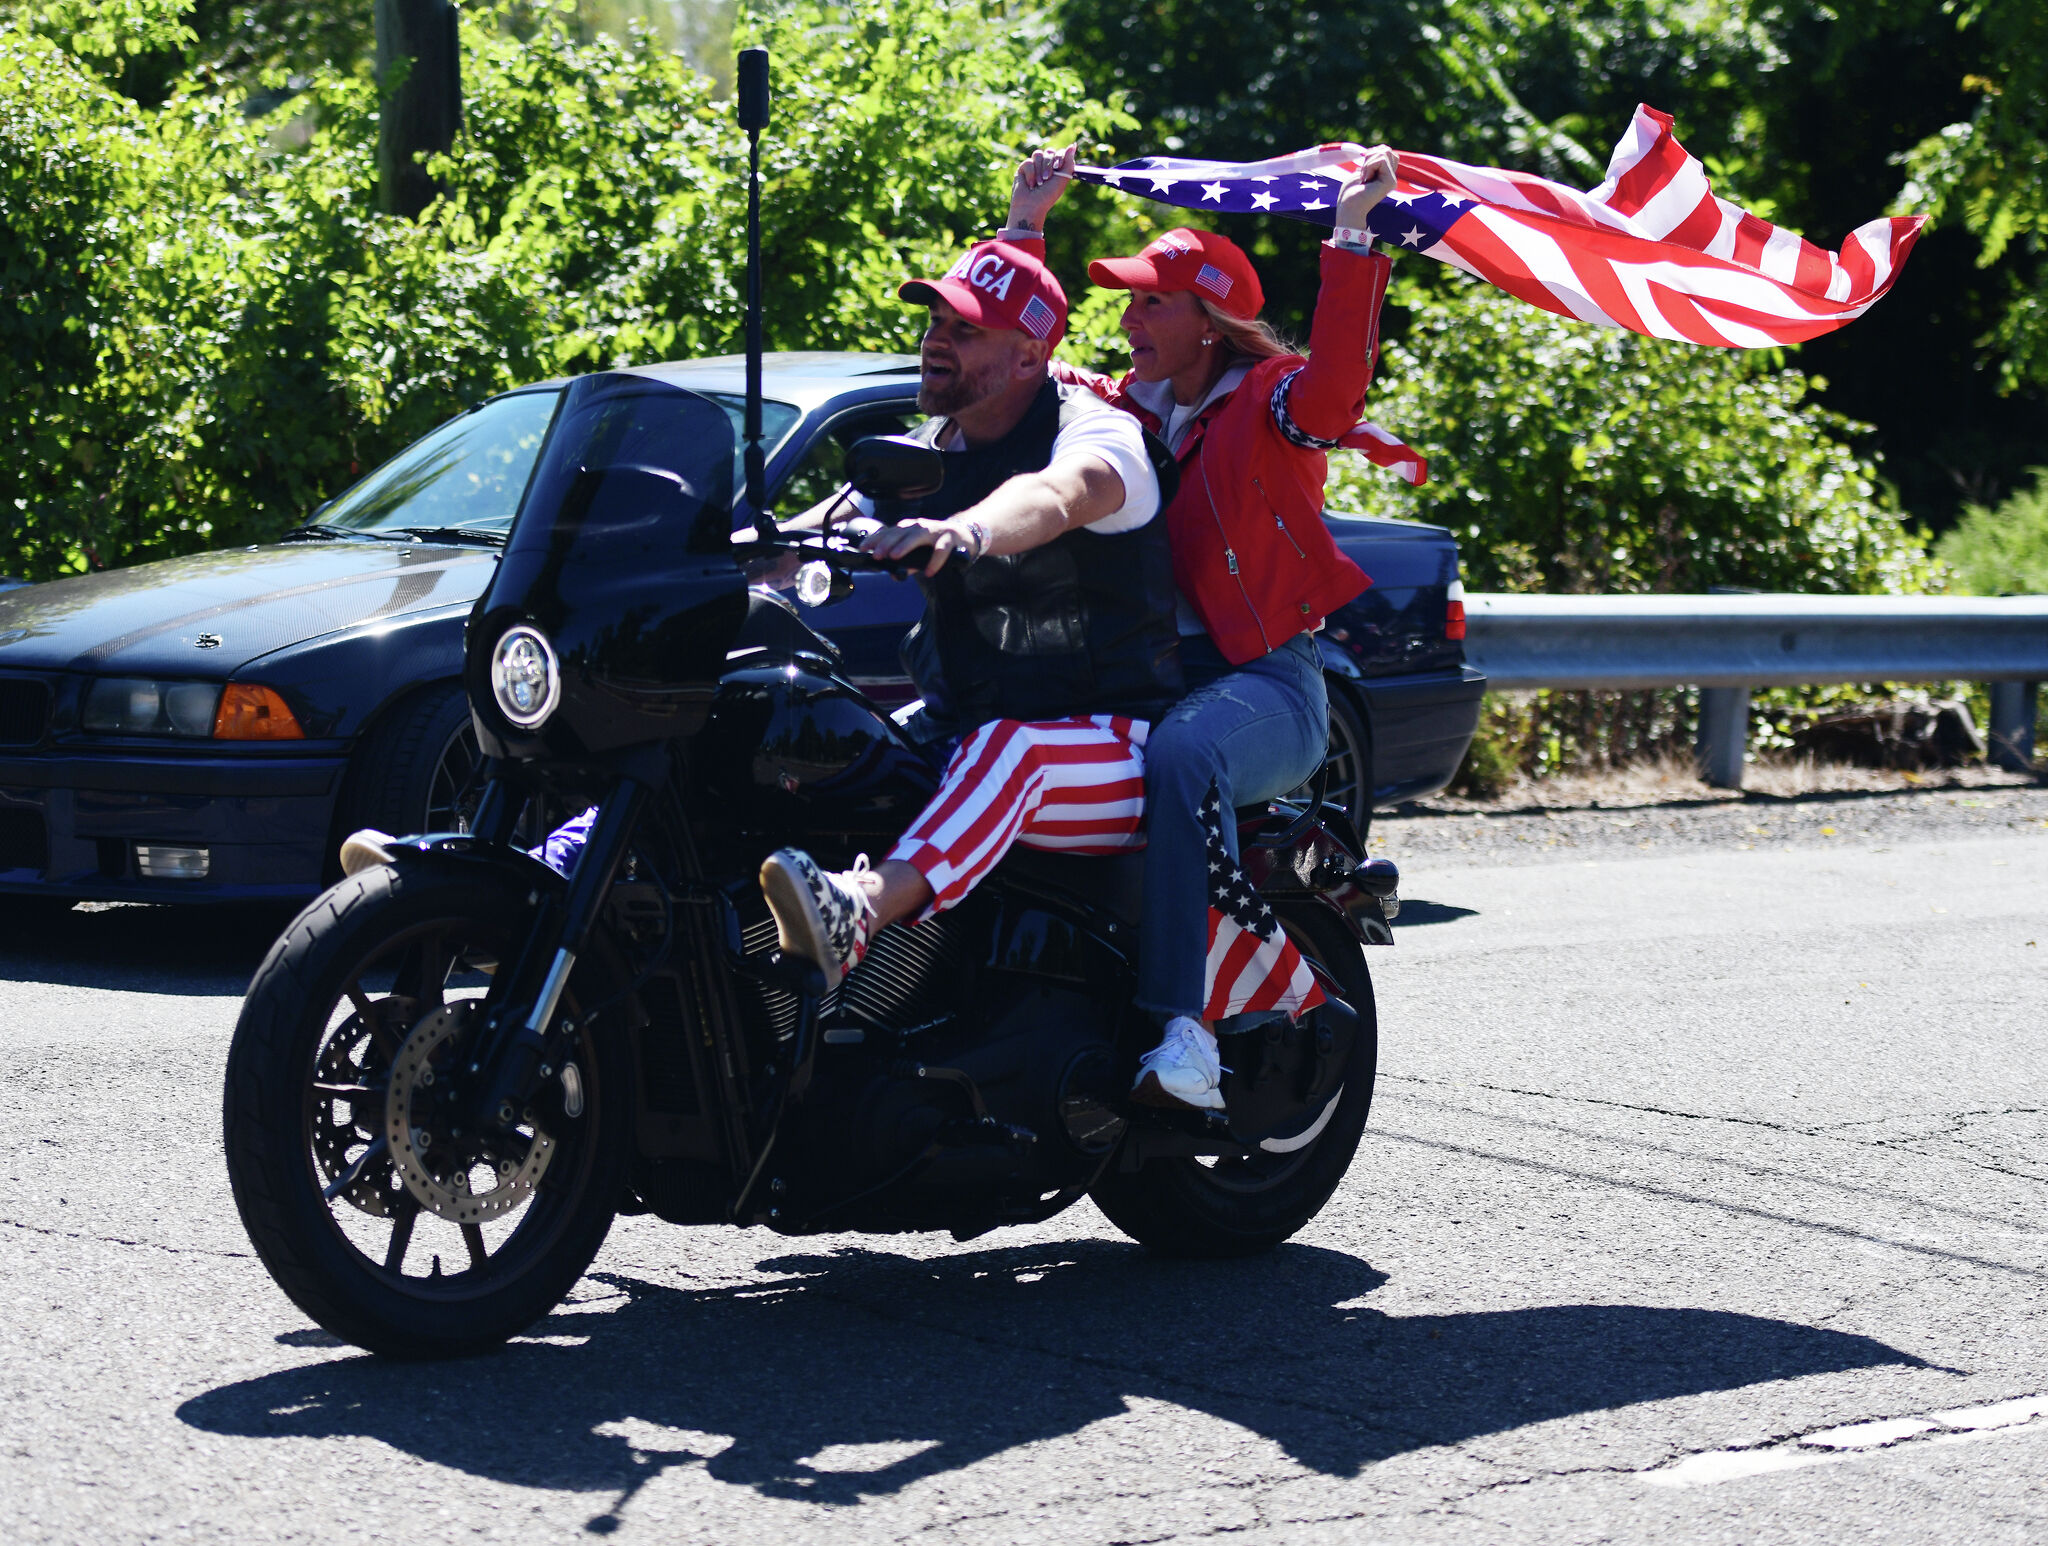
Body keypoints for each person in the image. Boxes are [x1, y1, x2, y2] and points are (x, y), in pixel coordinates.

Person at [996, 141, 1401, 1110]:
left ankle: (1189, 1035)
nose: (1126, 319)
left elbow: (1334, 393)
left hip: (1266, 682)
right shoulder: (1124, 409)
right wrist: (1023, 224)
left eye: (1150, 303)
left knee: (1183, 756)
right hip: (1151, 672)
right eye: (1128, 302)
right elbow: (1007, 363)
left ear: (1209, 324)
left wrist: (1351, 235)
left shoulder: (1272, 398)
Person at [756, 237, 1180, 992]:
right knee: (818, 739)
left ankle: (859, 911)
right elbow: (811, 530)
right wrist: (726, 555)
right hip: (965, 724)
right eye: (934, 323)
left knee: (1010, 752)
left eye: (965, 329)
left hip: (1117, 744)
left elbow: (1056, 495)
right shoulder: (926, 454)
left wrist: (963, 530)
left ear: (1029, 357)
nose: (935, 342)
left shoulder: (1097, 434)